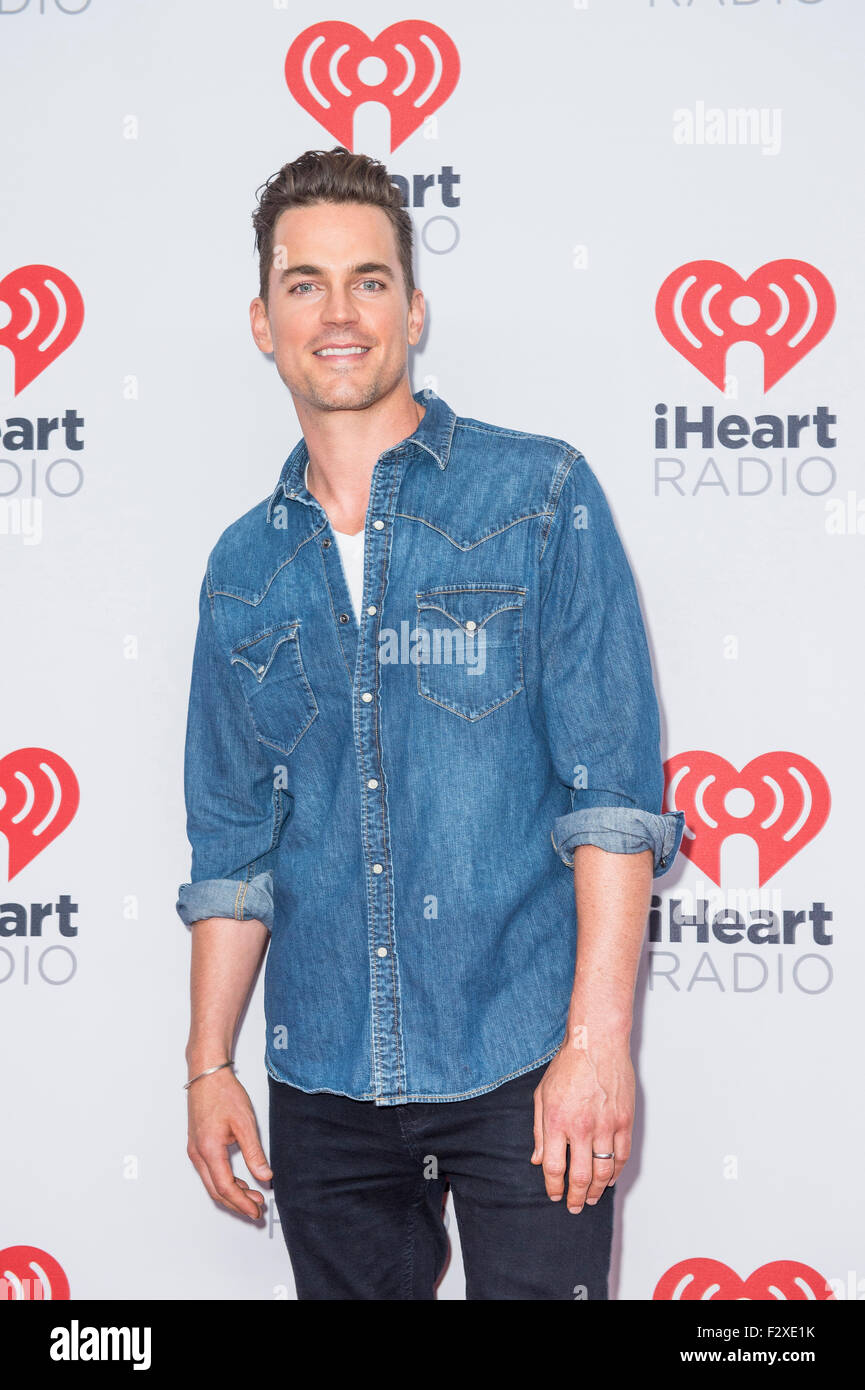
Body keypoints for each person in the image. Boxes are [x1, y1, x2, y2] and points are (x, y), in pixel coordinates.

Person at [176, 145, 684, 1301]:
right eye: (304, 283)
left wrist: (597, 1046)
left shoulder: (539, 496)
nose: (338, 312)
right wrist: (208, 1063)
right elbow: (230, 847)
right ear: (263, 320)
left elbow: (612, 796)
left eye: (368, 279)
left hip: (524, 1065)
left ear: (414, 306)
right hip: (324, 1083)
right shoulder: (241, 571)